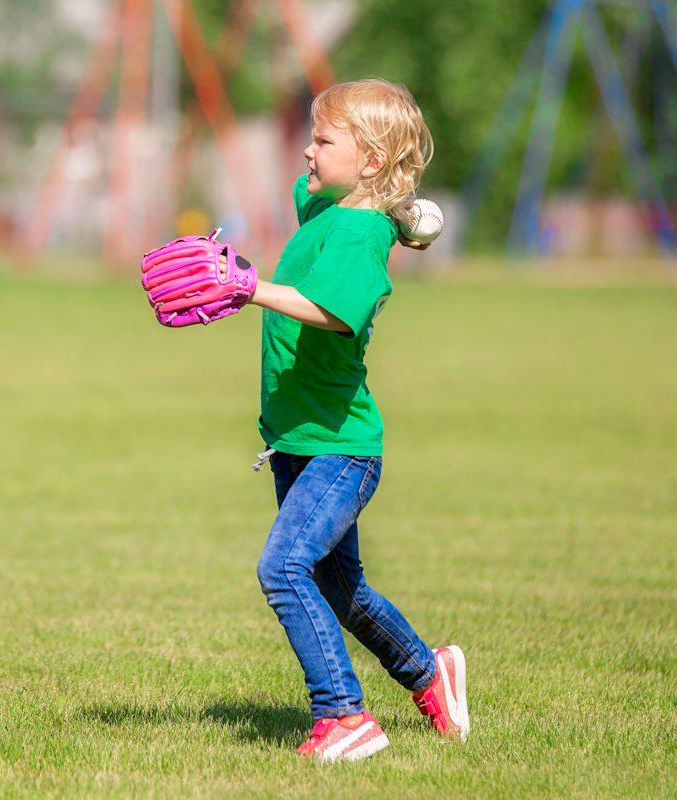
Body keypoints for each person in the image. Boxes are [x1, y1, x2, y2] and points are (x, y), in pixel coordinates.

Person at [245, 79, 470, 762]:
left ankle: (344, 716)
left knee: (284, 568)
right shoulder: (332, 207)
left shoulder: (358, 231)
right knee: (340, 590)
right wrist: (397, 200)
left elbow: (334, 310)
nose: (307, 152)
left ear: (368, 160)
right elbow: (314, 187)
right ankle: (430, 674)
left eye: (322, 140)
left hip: (340, 449)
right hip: (300, 440)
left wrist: (244, 286)